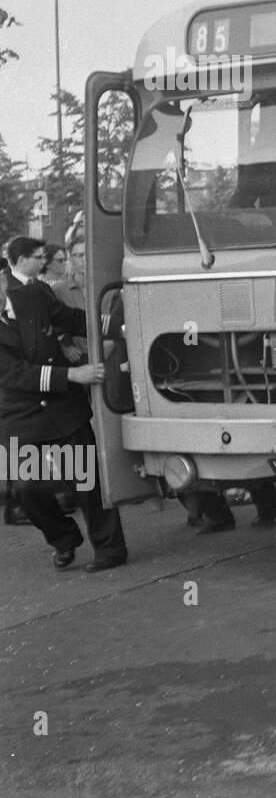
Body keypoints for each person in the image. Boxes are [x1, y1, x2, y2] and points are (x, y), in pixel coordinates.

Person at [0, 235, 127, 571]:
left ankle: (109, 550)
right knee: (27, 490)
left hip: (63, 409)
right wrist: (74, 375)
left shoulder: (31, 294)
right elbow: (14, 374)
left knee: (88, 481)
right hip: (22, 417)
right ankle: (64, 539)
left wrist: (120, 326)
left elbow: (69, 318)